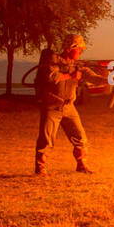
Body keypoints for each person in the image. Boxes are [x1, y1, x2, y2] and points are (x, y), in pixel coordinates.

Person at [35, 33, 92, 175]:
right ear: (69, 49)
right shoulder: (52, 61)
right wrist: (71, 75)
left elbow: (91, 75)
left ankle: (81, 164)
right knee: (46, 139)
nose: (80, 52)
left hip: (69, 107)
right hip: (52, 106)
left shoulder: (76, 65)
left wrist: (110, 79)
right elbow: (51, 77)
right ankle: (41, 167)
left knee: (80, 137)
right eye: (78, 49)